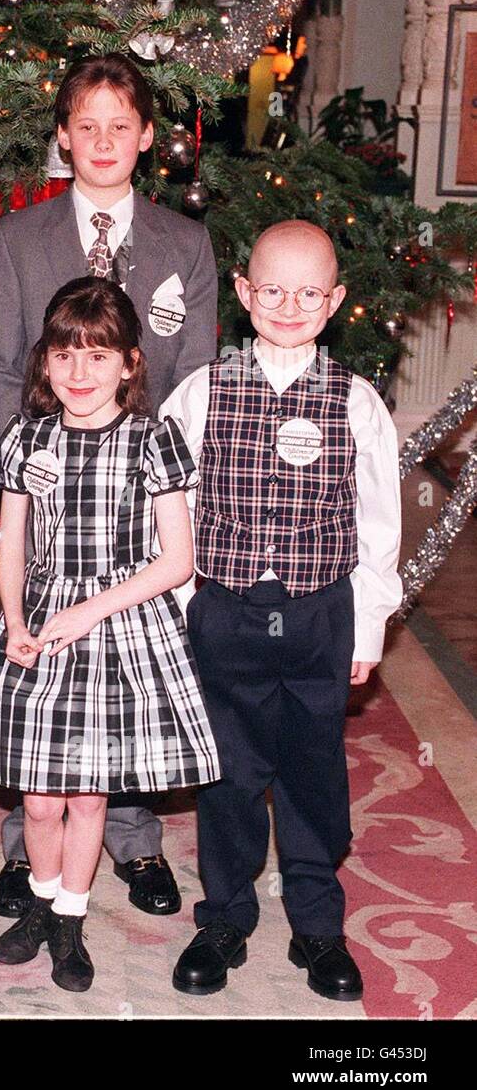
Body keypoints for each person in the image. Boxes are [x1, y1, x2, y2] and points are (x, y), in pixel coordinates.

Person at [0, 52, 218, 919]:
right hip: (49, 480)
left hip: (142, 488)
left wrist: (161, 479)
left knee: (129, 674)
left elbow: (194, 376)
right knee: (42, 665)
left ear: (147, 136)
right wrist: (29, 467)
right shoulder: (20, 238)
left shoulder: (185, 243)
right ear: (64, 138)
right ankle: (25, 846)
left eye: (121, 126)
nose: (104, 141)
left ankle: (135, 838)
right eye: (88, 127)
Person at [164, 220, 402, 1001]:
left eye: (308, 294)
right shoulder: (204, 390)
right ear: (243, 292)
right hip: (227, 610)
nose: (289, 307)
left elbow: (378, 524)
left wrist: (367, 626)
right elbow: (171, 502)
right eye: (272, 290)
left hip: (319, 615)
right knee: (228, 771)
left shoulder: (356, 401)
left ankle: (317, 923)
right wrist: (184, 602)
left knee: (312, 769)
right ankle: (225, 917)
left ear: (334, 301)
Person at [0, 277, 218, 990]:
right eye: (65, 355)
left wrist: (91, 610)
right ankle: (42, 904)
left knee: (88, 794)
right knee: (39, 797)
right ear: (44, 362)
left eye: (99, 356)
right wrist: (16, 620)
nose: (80, 372)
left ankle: (71, 919)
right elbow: (12, 543)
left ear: (130, 364)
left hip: (118, 627)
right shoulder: (25, 438)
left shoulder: (152, 440)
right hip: (41, 625)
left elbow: (177, 560)